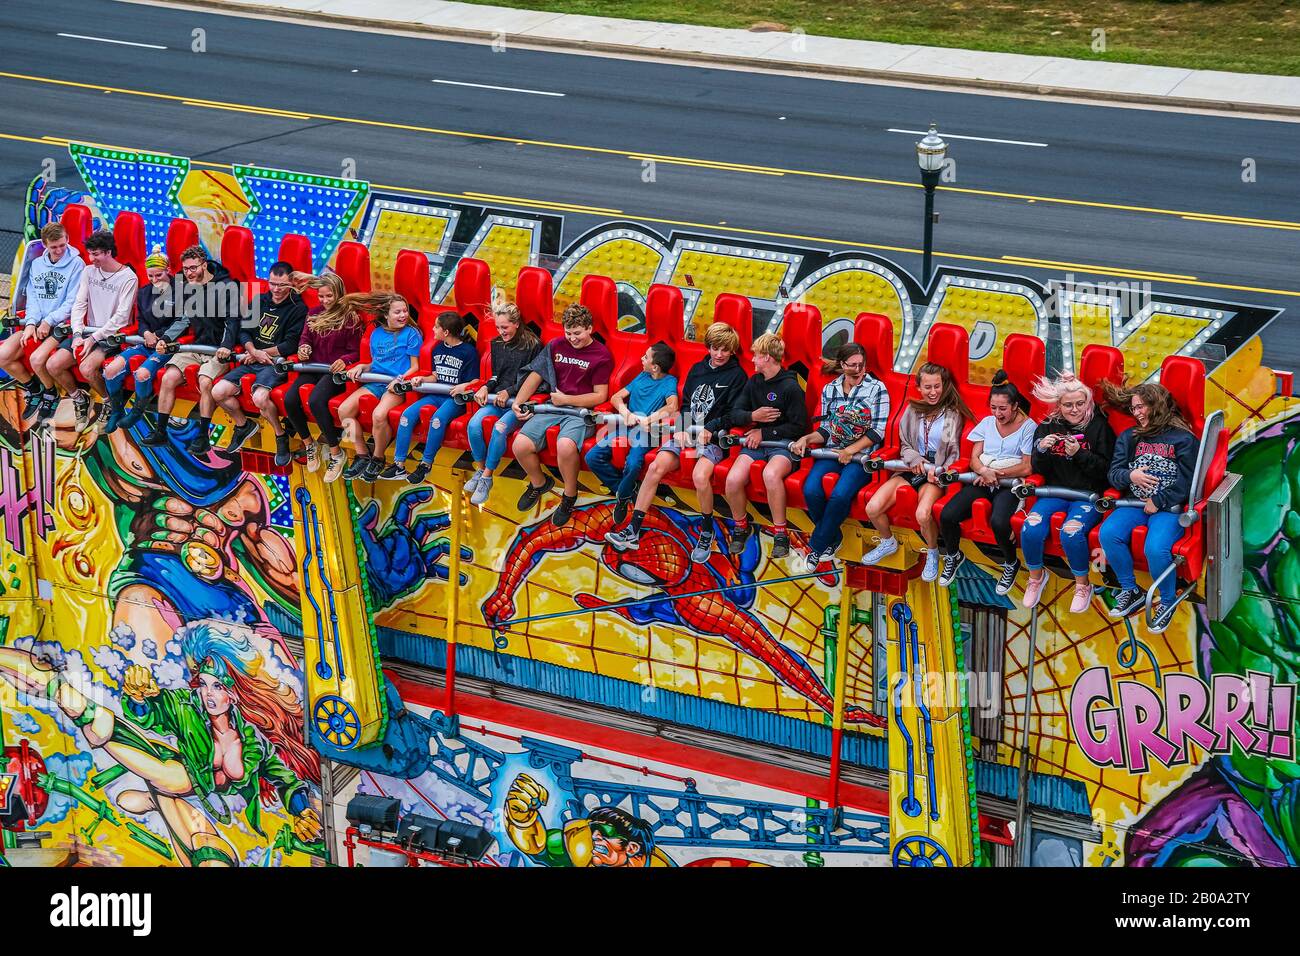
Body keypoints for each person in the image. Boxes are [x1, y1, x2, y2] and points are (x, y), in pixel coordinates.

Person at [601, 322, 747, 558]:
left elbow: (734, 413)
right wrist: (682, 428)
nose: (719, 354)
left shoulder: (737, 375)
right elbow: (687, 404)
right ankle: (633, 530)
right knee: (656, 466)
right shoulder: (698, 369)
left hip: (714, 437)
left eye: (725, 350)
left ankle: (707, 530)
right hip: (687, 431)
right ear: (708, 347)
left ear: (732, 351)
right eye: (715, 348)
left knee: (700, 476)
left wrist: (709, 429)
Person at [1098, 380, 1199, 633]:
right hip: (1134, 502)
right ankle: (1129, 589)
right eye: (1133, 408)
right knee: (1108, 533)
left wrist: (1159, 500)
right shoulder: (1129, 437)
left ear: (1157, 406)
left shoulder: (1183, 439)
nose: (1137, 413)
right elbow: (1114, 474)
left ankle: (1166, 601)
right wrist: (1130, 477)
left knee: (1156, 548)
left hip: (1167, 507)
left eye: (1142, 407)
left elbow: (1189, 483)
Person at [862, 363, 973, 580]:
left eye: (937, 387)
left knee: (923, 514)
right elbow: (905, 444)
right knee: (873, 508)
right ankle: (887, 541)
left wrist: (940, 471)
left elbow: (952, 451)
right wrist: (915, 459)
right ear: (919, 388)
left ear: (944, 386)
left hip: (935, 473)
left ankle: (933, 552)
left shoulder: (951, 415)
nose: (933, 392)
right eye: (928, 387)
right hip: (911, 467)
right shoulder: (912, 410)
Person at [1020, 373, 1116, 612]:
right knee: (1030, 527)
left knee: (1071, 533)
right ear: (1059, 405)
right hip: (1054, 491)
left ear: (1088, 403)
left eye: (1080, 404)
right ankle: (1035, 577)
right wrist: (1041, 450)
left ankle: (1082, 584)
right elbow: (1038, 469)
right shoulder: (1047, 427)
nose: (1074, 409)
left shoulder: (1099, 427)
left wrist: (1079, 454)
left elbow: (1107, 471)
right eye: (1068, 404)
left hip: (1087, 495)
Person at [511, 304, 614, 527]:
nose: (572, 338)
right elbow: (536, 375)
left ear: (589, 329)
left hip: (580, 411)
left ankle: (569, 495)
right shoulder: (556, 345)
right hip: (552, 407)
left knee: (565, 446)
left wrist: (567, 400)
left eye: (577, 333)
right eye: (568, 333)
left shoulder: (601, 355)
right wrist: (518, 402)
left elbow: (600, 395)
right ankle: (539, 483)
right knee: (520, 445)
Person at [793, 343, 890, 570]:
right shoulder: (830, 389)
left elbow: (877, 432)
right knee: (811, 489)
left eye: (861, 365)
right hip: (833, 449)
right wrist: (807, 439)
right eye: (852, 365)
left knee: (840, 495)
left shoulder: (877, 389)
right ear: (842, 365)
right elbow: (826, 429)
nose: (858, 369)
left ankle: (816, 547)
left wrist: (851, 450)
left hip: (861, 455)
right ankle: (832, 537)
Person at [936, 371, 1036, 591]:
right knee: (948, 515)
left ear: (1015, 406)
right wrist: (983, 470)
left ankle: (1011, 562)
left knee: (999, 522)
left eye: (1003, 409)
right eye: (993, 408)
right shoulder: (987, 422)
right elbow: (974, 457)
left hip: (1008, 484)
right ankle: (953, 555)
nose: (997, 413)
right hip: (983, 479)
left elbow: (1027, 466)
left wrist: (995, 474)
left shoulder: (1029, 427)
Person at [139, 245, 241, 451]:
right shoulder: (186, 285)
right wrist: (165, 338)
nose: (189, 273)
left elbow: (233, 320)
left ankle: (203, 435)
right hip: (196, 346)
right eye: (185, 269)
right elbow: (184, 319)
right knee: (167, 377)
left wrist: (226, 346)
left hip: (217, 349)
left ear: (204, 265)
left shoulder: (226, 286)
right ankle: (160, 431)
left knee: (205, 381)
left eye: (193, 268)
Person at [208, 261, 308, 459]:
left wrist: (263, 354)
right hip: (252, 358)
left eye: (281, 285)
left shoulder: (298, 308)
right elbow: (244, 332)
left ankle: (280, 437)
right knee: (218, 392)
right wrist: (253, 351)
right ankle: (243, 425)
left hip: (275, 363)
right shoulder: (260, 300)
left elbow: (290, 345)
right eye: (272, 284)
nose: (276, 289)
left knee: (260, 398)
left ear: (291, 284)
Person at [722, 332, 809, 559]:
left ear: (768, 358)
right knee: (732, 480)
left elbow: (799, 427)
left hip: (782, 443)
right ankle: (741, 526)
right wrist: (754, 415)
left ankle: (781, 532)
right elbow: (736, 413)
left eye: (756, 356)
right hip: (755, 442)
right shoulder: (754, 382)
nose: (752, 360)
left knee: (771, 475)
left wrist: (765, 431)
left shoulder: (791, 387)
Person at [45, 228, 137, 431]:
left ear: (108, 252)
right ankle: (79, 399)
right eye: (90, 253)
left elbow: (121, 317)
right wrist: (78, 334)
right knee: (53, 365)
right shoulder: (88, 271)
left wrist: (94, 338)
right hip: (86, 332)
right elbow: (79, 304)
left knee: (87, 368)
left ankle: (110, 402)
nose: (91, 258)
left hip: (111, 336)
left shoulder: (128, 277)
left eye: (95, 254)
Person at [280, 272, 363, 481]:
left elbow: (356, 351)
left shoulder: (350, 318)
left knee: (316, 400)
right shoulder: (314, 313)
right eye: (321, 297)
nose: (325, 301)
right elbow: (305, 338)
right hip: (313, 367)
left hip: (334, 372)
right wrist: (304, 348)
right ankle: (309, 444)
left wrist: (345, 360)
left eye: (329, 296)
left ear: (339, 295)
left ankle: (336, 452)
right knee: (289, 399)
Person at [0, 222, 85, 422]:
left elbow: (72, 302)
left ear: (67, 240)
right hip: (39, 322)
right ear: (45, 244)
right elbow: (34, 296)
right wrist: (30, 323)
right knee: (3, 355)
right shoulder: (37, 264)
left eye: (62, 245)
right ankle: (34, 389)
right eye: (54, 247)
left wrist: (48, 321)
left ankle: (50, 393)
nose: (59, 251)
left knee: (37, 359)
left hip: (62, 326)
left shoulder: (77, 264)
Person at [588, 341, 679, 526]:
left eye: (645, 357)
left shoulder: (669, 381)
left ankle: (622, 497)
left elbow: (672, 406)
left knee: (633, 462)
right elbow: (616, 397)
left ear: (655, 367)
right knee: (592, 457)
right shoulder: (641, 376)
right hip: (625, 426)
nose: (641, 359)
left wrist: (649, 419)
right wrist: (625, 412)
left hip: (646, 431)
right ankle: (624, 491)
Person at [383, 310, 480, 482]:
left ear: (446, 332)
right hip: (436, 394)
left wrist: (463, 386)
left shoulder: (469, 352)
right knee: (406, 417)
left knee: (437, 420)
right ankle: (399, 464)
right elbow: (436, 375)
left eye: (436, 327)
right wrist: (422, 379)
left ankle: (426, 464)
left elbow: (476, 379)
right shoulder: (438, 348)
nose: (433, 330)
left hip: (453, 398)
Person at [462, 304, 543, 506]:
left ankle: (488, 477)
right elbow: (497, 375)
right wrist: (485, 387)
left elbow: (531, 379)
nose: (501, 332)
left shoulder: (533, 345)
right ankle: (480, 470)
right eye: (498, 327)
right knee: (473, 424)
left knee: (499, 428)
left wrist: (509, 392)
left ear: (516, 324)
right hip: (498, 397)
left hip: (518, 400)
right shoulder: (497, 343)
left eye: (505, 327)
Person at [339, 293, 423, 482]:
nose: (403, 315)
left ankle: (378, 457)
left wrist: (400, 380)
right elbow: (375, 363)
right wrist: (362, 366)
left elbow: (415, 367)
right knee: (344, 410)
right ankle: (362, 455)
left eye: (405, 311)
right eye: (397, 312)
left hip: (397, 384)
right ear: (386, 315)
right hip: (376, 382)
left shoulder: (411, 334)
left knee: (379, 414)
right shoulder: (376, 334)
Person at [102, 246, 175, 434]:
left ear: (168, 270)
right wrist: (146, 334)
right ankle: (117, 411)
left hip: (167, 346)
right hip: (145, 342)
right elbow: (141, 320)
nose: (154, 280)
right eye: (150, 276)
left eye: (158, 275)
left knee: (142, 374)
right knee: (110, 370)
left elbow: (181, 323)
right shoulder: (144, 292)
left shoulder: (181, 291)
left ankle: (137, 411)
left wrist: (159, 335)